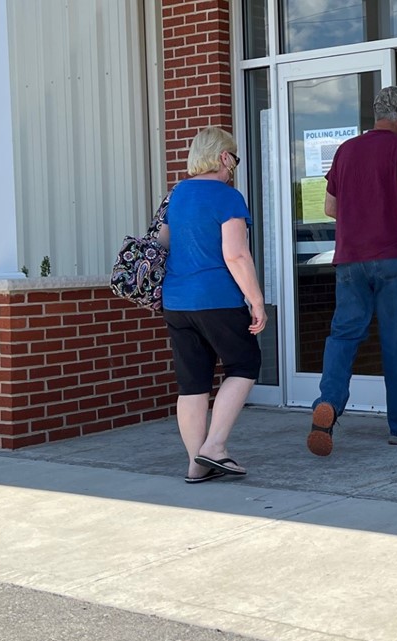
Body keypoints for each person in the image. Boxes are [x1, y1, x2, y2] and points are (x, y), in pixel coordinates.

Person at [306, 85, 397, 457]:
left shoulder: (346, 150)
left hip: (349, 260)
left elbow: (330, 207)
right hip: (393, 259)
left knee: (343, 336)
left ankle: (329, 403)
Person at [158, 127, 267, 483]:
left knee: (193, 383)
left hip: (177, 302)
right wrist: (256, 299)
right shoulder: (227, 196)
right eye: (233, 158)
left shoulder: (176, 195)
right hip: (216, 299)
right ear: (223, 157)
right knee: (246, 363)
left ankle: (196, 464)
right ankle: (215, 446)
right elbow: (235, 255)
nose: (233, 166)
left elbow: (162, 242)